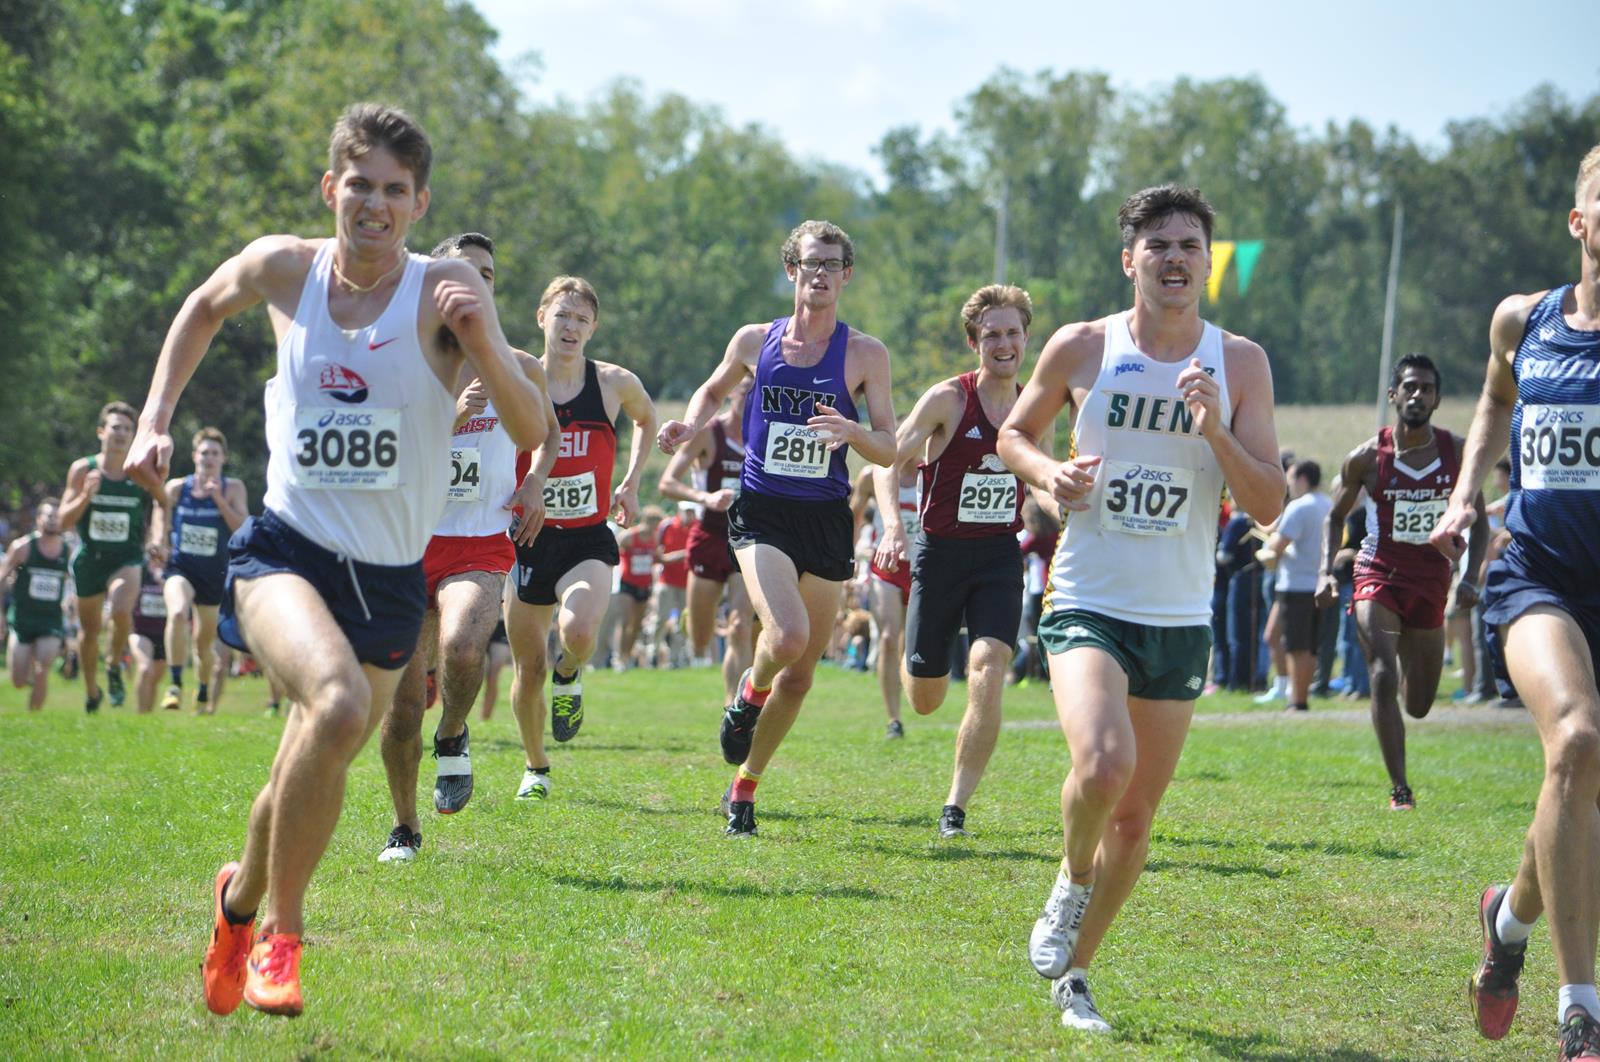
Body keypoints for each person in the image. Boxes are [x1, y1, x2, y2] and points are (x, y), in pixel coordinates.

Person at [122, 103, 548, 1018]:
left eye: (396, 190)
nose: (376, 204)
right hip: (286, 553)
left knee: (303, 766)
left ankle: (235, 907)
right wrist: (156, 419)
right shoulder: (288, 268)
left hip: (389, 579)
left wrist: (482, 336)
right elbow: (202, 307)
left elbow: (530, 426)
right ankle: (284, 935)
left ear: (420, 202)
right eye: (360, 184)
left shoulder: (444, 294)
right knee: (342, 703)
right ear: (332, 188)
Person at [997, 185, 1282, 1033]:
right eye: (1157, 245)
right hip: (1089, 595)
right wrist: (1049, 478)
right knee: (1102, 766)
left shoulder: (1242, 363)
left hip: (1180, 613)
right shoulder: (1084, 346)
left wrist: (1216, 429)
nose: (1174, 259)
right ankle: (1070, 879)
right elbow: (1015, 433)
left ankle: (1077, 974)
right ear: (1130, 260)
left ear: (1208, 263)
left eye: (1190, 245)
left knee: (1135, 815)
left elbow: (1265, 502)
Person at [1433, 144, 1600, 1061]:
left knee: (1577, 784)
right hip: (1536, 573)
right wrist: (1467, 492)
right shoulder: (1523, 320)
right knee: (1575, 738)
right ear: (1580, 223)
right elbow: (1495, 403)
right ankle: (1582, 1014)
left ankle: (1507, 924)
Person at [656, 219, 897, 837]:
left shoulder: (866, 354)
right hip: (762, 511)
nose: (820, 274)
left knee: (803, 673)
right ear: (791, 271)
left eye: (832, 264)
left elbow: (890, 447)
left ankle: (745, 787)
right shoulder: (754, 341)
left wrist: (853, 434)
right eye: (810, 263)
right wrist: (688, 425)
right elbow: (712, 390)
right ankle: (745, 694)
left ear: (846, 275)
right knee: (785, 637)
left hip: (825, 518)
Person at [376, 232, 559, 862]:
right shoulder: (403, 360)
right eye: (463, 272)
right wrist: (452, 415)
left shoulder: (517, 364)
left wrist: (534, 481)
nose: (475, 283)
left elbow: (549, 434)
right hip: (407, 541)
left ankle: (453, 732)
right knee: (401, 710)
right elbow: (385, 451)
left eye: (487, 274)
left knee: (460, 647)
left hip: (481, 537)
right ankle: (405, 826)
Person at [874, 283, 1036, 832]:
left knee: (988, 668)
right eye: (992, 334)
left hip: (998, 557)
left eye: (1013, 332)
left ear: (1025, 338)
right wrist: (894, 526)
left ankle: (955, 806)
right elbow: (884, 460)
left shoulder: (1034, 407)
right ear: (974, 342)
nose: (1004, 344)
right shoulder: (947, 398)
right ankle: (916, 659)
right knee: (925, 698)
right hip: (939, 555)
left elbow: (1039, 482)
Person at [506, 275, 657, 800]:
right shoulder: (517, 380)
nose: (571, 327)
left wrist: (632, 481)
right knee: (527, 669)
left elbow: (646, 419)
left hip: (588, 537)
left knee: (580, 629)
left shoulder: (613, 383)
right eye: (563, 315)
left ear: (593, 329)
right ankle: (536, 767)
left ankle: (570, 673)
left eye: (582, 319)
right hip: (528, 538)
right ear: (542, 317)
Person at [1317, 354, 1484, 808]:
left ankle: (1407, 690)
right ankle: (1400, 789)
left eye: (1426, 388)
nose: (1417, 395)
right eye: (1409, 387)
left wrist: (1469, 579)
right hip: (1378, 572)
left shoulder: (1457, 453)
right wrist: (1324, 573)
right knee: (1382, 672)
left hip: (1431, 581)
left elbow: (1482, 520)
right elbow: (1334, 518)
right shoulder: (1367, 458)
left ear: (1437, 398)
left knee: (1419, 704)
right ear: (1394, 395)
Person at [659, 379, 755, 704]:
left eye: (760, 393)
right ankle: (697, 622)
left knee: (740, 626)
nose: (752, 399)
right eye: (746, 391)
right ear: (732, 394)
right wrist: (704, 497)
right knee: (700, 638)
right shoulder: (709, 433)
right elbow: (667, 483)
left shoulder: (766, 439)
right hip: (709, 536)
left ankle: (733, 705)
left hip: (747, 539)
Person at [59, 401, 153, 711]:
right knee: (89, 633)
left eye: (128, 429)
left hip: (127, 557)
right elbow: (62, 522)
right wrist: (86, 495)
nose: (122, 433)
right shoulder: (83, 469)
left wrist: (157, 541)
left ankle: (113, 663)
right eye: (116, 427)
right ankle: (91, 692)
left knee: (122, 609)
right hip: (90, 559)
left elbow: (157, 511)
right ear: (102, 432)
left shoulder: (138, 472)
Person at [152, 427, 249, 713]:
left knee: (204, 644)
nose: (209, 458)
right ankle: (174, 684)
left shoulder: (233, 488)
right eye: (204, 452)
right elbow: (160, 515)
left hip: (215, 575)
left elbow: (242, 528)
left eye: (215, 453)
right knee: (179, 612)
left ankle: (203, 688)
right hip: (181, 568)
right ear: (195, 455)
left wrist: (218, 500)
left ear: (224, 458)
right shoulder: (177, 488)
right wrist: (158, 541)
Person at [1254, 460, 1332, 713]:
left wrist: (1267, 549)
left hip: (1296, 584)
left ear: (1302, 479)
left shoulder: (1299, 507)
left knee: (1297, 645)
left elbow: (1278, 546)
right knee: (1283, 638)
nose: (1289, 485)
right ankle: (1288, 689)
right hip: (1317, 583)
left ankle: (1297, 701)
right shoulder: (1328, 503)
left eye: (1290, 479)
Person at [851, 463, 917, 737]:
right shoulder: (871, 474)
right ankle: (894, 719)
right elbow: (852, 515)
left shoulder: (933, 467)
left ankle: (917, 697)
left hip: (922, 568)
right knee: (889, 639)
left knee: (911, 643)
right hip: (885, 567)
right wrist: (852, 555)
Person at [1, 499, 69, 710]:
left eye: (57, 517)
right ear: (38, 519)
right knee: (18, 681)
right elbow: (2, 580)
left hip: (50, 620)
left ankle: (34, 716)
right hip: (22, 619)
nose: (53, 521)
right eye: (49, 516)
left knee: (44, 668)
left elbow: (73, 586)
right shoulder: (22, 548)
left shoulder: (68, 551)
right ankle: (26, 665)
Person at [614, 509, 663, 669]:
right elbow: (613, 550)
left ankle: (627, 657)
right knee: (626, 621)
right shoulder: (629, 536)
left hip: (645, 585)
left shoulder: (654, 539)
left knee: (636, 625)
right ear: (645, 521)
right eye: (652, 523)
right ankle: (619, 657)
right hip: (628, 583)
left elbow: (657, 559)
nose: (654, 527)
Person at [130, 563, 169, 714]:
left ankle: (147, 716)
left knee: (153, 681)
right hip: (140, 631)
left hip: (164, 634)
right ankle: (140, 714)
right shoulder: (139, 570)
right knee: (145, 669)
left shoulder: (172, 571)